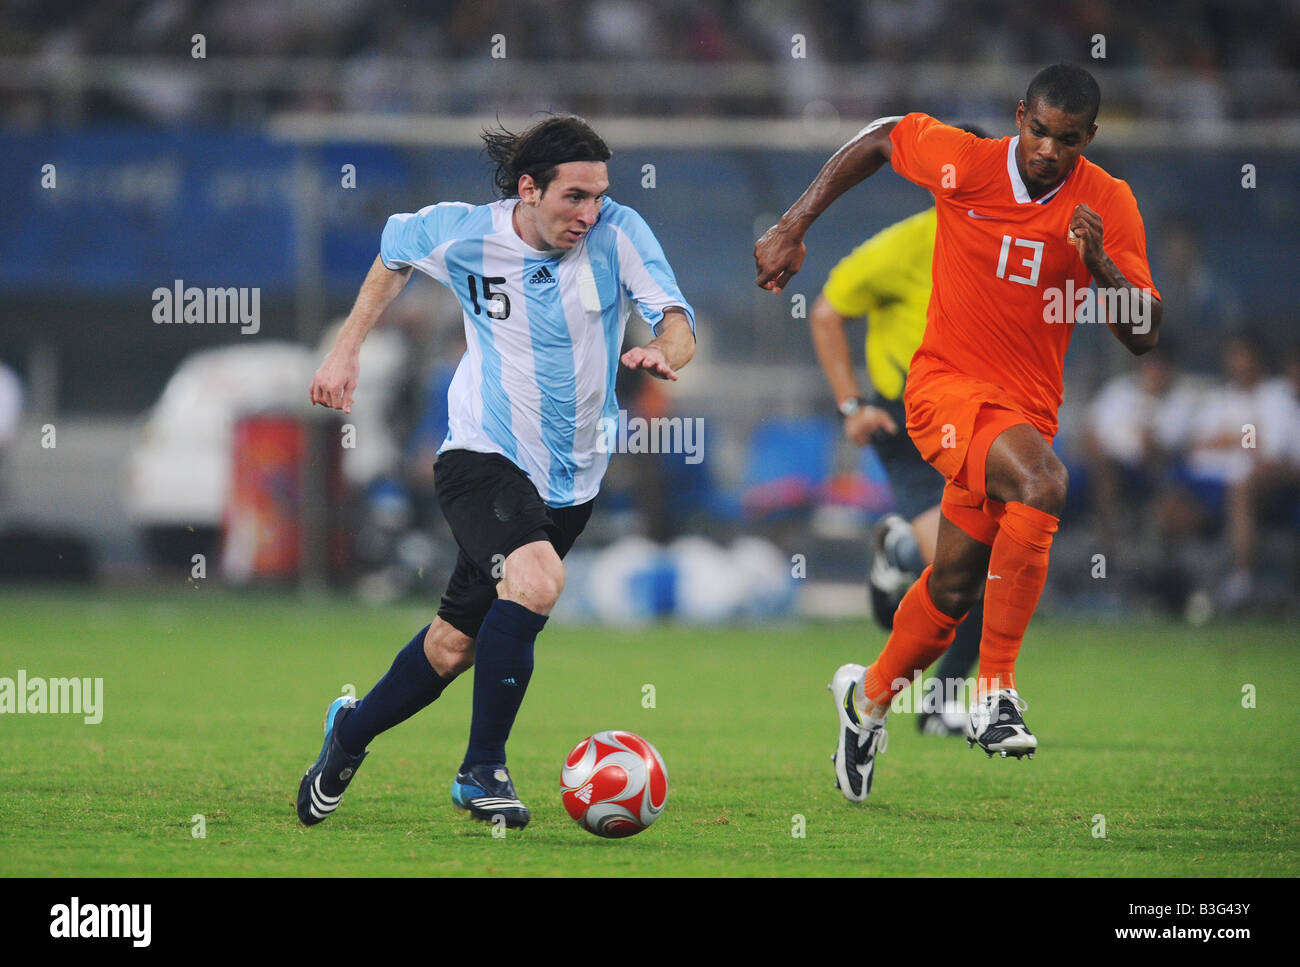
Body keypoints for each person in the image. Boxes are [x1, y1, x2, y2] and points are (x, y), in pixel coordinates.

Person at [755, 64, 1161, 801]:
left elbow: (1145, 334)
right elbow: (881, 138)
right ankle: (994, 692)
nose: (1046, 149)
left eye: (1066, 140)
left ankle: (868, 699)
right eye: (1037, 130)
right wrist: (793, 222)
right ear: (1019, 117)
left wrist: (1100, 263)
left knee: (951, 587)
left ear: (1088, 139)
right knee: (1045, 481)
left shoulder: (1108, 203)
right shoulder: (967, 163)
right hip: (941, 389)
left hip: (1025, 412)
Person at [298, 114, 696, 828]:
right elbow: (393, 250)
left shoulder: (620, 233)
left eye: (599, 195)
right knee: (538, 580)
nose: (590, 212)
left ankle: (347, 735)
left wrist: (668, 350)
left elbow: (676, 317)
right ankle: (482, 769)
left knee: (455, 646)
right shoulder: (464, 232)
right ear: (529, 188)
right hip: (481, 455)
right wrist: (347, 347)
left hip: (570, 480)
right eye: (574, 196)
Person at [808, 124, 990, 737]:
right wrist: (851, 405)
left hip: (984, 422)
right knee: (969, 573)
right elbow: (828, 310)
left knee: (983, 567)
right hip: (911, 421)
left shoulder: (1016, 251)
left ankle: (901, 553)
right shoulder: (910, 245)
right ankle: (936, 704)